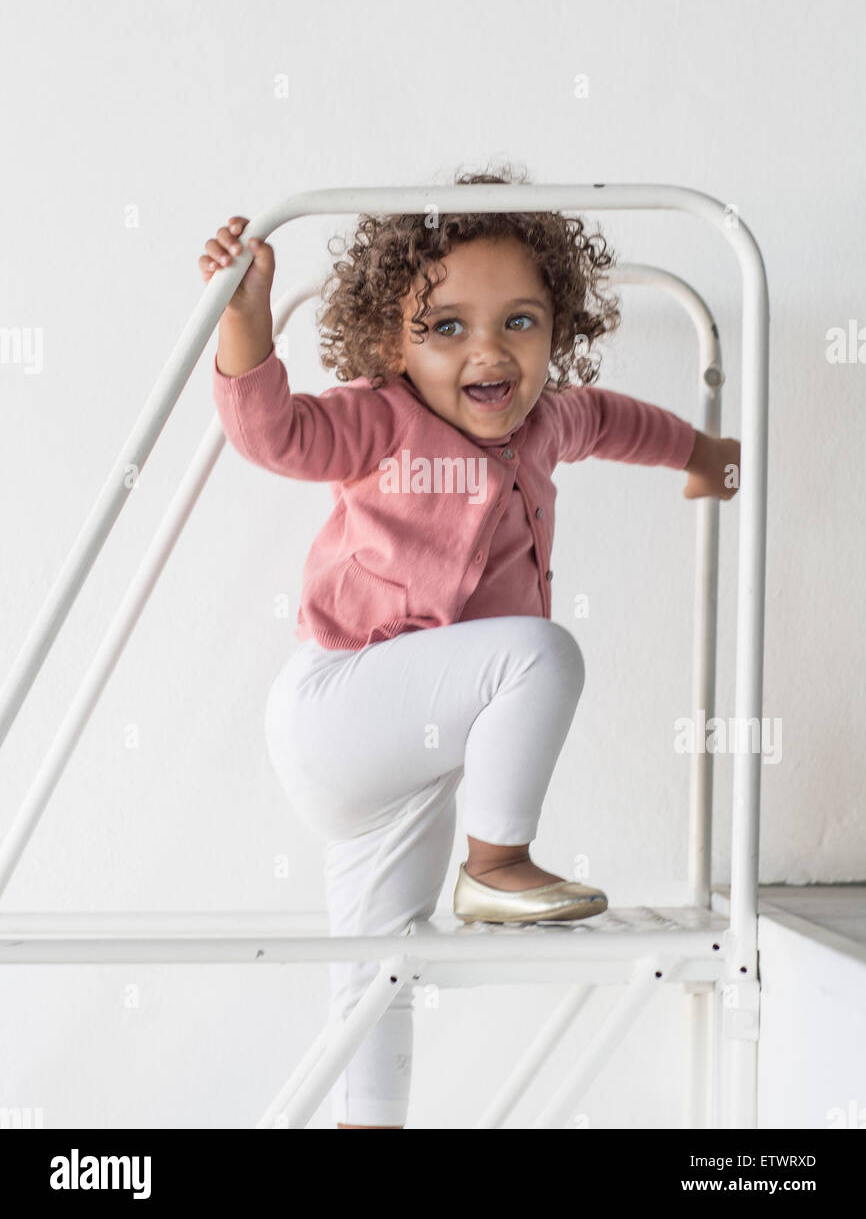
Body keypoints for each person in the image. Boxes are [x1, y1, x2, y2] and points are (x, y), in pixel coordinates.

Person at [201, 162, 740, 1129]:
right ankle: (496, 868)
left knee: (381, 972)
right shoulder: (380, 417)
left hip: (405, 775)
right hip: (342, 705)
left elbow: (617, 420)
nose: (488, 352)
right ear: (387, 341)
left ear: (555, 332)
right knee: (540, 653)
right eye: (447, 326)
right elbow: (276, 435)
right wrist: (247, 322)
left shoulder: (547, 421)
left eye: (519, 322)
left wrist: (703, 455)